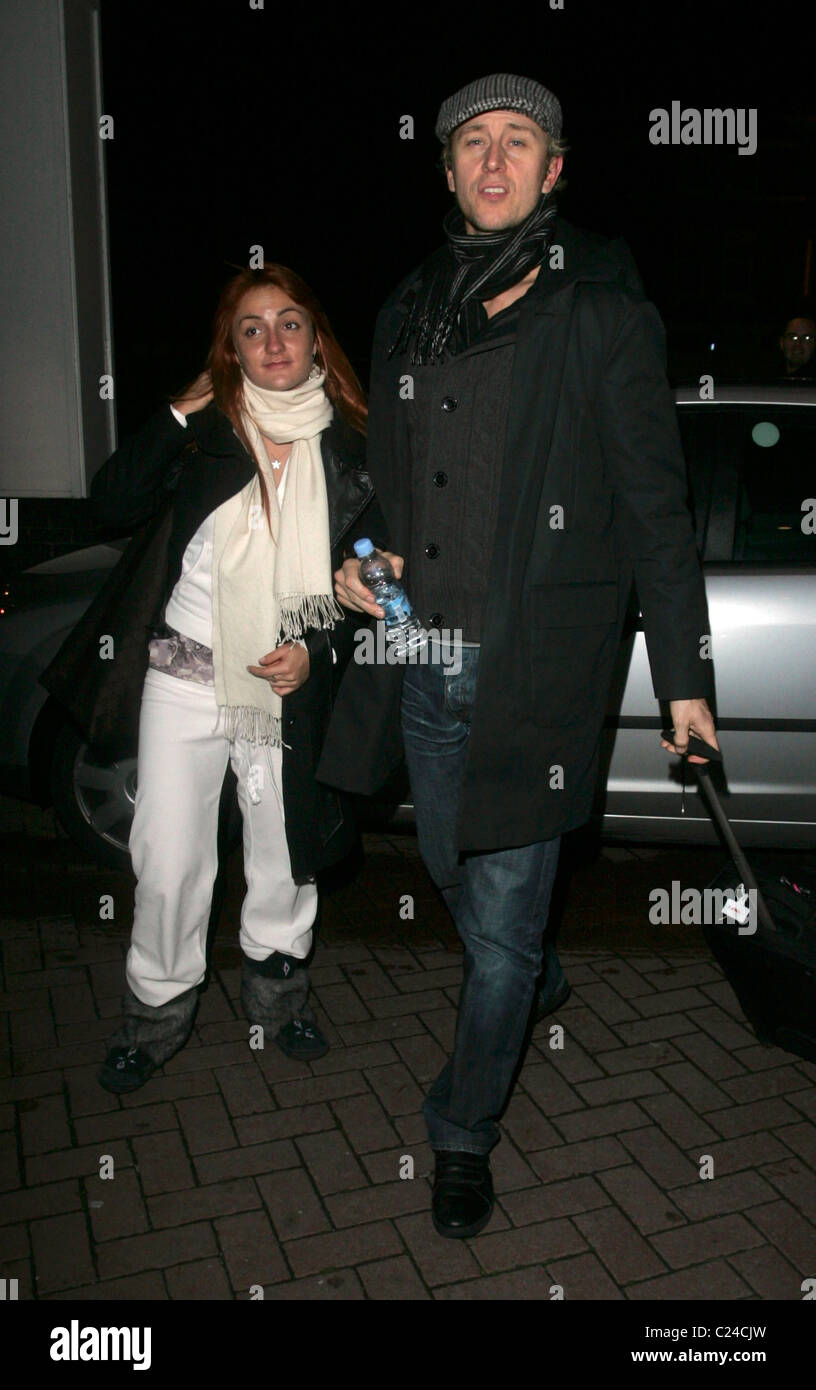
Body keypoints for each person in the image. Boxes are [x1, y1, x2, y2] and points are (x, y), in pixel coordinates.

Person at [317, 73, 719, 1239]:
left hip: (533, 673)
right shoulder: (405, 312)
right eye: (473, 144)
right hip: (419, 651)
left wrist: (684, 676)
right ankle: (531, 969)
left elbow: (655, 506)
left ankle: (460, 1130)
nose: (495, 162)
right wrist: (362, 555)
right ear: (445, 170)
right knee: (455, 874)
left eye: (520, 142)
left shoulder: (598, 308)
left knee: (492, 935)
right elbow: (383, 488)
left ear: (555, 170)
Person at [45, 263, 386, 1093]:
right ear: (229, 349)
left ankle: (279, 995)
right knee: (166, 853)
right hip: (183, 673)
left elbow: (372, 577)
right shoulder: (202, 432)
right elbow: (110, 506)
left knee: (281, 852)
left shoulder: (356, 447)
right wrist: (175, 411)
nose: (274, 339)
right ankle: (158, 1006)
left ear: (316, 338)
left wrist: (319, 647)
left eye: (290, 322)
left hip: (285, 681)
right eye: (252, 327)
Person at [777, 314, 816, 378]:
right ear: (782, 343)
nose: (798, 344)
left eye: (806, 338)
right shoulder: (767, 379)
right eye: (793, 337)